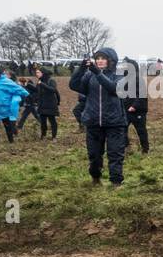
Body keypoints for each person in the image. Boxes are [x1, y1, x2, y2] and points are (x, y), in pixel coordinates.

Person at [69, 47, 127, 186]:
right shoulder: (89, 75)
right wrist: (82, 68)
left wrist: (97, 73)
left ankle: (116, 182)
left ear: (111, 60)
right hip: (93, 121)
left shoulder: (120, 75)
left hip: (114, 122)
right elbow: (74, 85)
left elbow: (114, 89)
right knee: (94, 155)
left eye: (103, 58)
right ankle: (96, 178)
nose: (100, 61)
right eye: (98, 58)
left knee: (115, 154)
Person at [121, 56, 149, 153]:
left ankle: (145, 150)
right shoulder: (124, 78)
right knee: (122, 130)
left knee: (141, 131)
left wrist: (134, 106)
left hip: (138, 110)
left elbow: (141, 95)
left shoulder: (138, 79)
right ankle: (127, 148)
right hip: (126, 110)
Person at [29, 66, 61, 140]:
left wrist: (42, 84)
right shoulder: (40, 81)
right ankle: (43, 136)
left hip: (50, 104)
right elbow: (37, 90)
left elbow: (53, 90)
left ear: (43, 73)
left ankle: (54, 137)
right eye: (36, 72)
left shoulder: (51, 80)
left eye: (38, 72)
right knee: (43, 122)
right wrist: (27, 85)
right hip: (42, 104)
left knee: (52, 121)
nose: (36, 74)